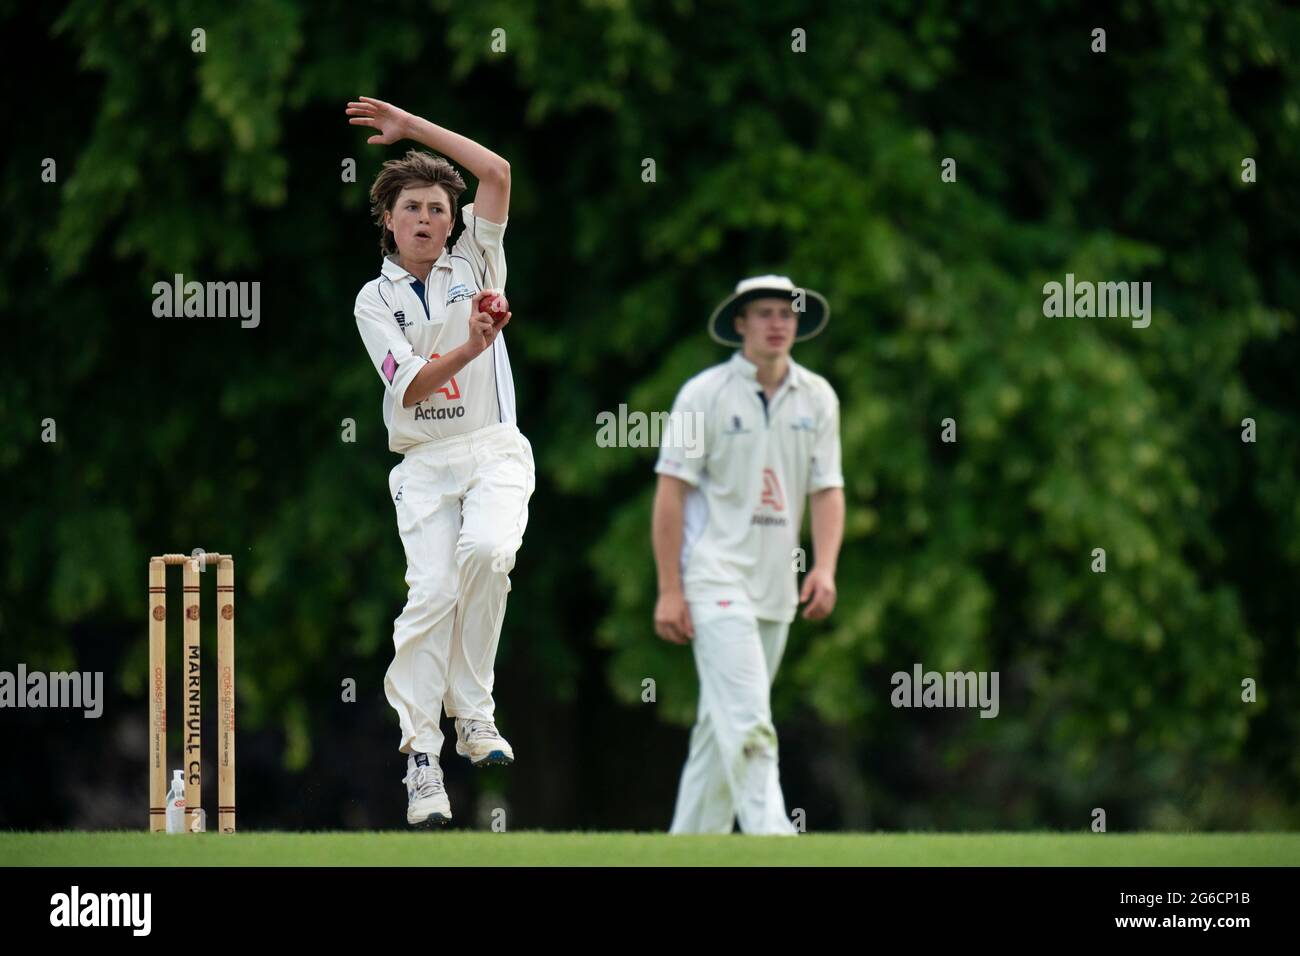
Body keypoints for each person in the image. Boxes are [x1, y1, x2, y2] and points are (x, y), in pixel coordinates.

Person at [349, 97, 534, 827]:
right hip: (424, 461)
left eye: (436, 207)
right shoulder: (374, 300)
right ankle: (422, 760)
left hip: (492, 447)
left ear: (452, 221)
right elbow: (415, 383)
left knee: (489, 552)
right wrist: (472, 346)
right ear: (389, 222)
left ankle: (474, 717)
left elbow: (495, 169)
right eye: (412, 209)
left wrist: (412, 128)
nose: (426, 218)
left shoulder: (477, 258)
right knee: (429, 594)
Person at [653, 275, 845, 834]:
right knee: (750, 720)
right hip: (714, 577)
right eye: (763, 313)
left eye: (786, 313)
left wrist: (826, 567)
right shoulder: (703, 394)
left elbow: (827, 489)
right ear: (740, 323)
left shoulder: (818, 397)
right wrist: (670, 588)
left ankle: (686, 848)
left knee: (720, 730)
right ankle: (775, 836)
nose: (776, 323)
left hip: (776, 586)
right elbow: (671, 493)